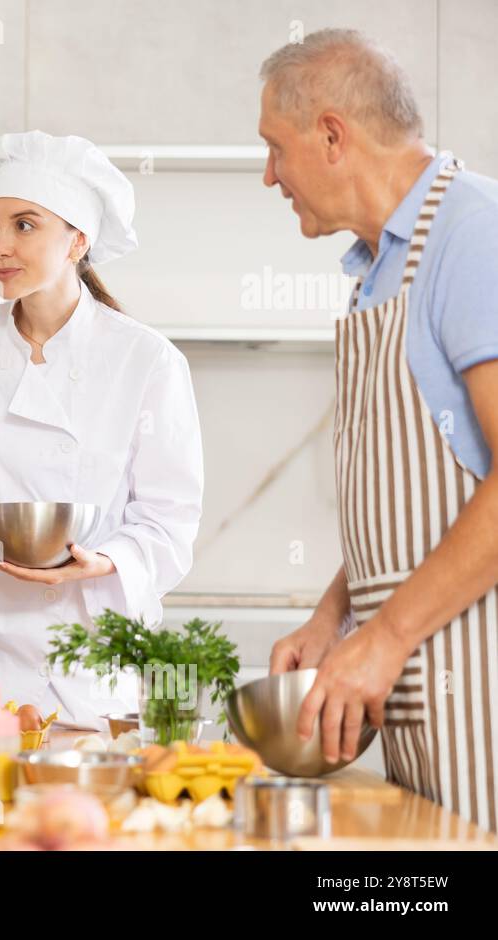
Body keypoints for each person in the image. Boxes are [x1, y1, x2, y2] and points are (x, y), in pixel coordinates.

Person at [261, 29, 498, 833]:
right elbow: (421, 505)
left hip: (482, 682)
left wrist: (387, 633)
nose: (270, 176)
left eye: (275, 149)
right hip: (422, 688)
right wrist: (338, 617)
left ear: (331, 136)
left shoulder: (471, 236)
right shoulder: (379, 267)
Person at [0, 131, 204, 728]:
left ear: (78, 240)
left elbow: (170, 521)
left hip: (82, 670)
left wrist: (104, 561)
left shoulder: (146, 360)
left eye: (24, 225)